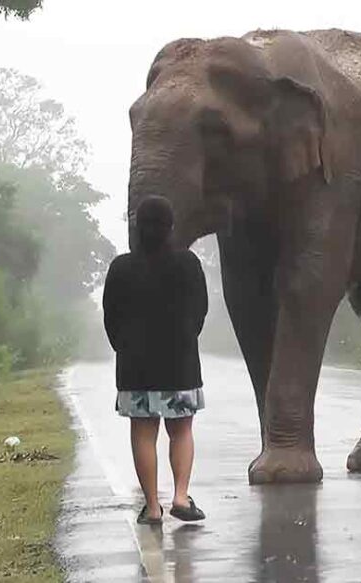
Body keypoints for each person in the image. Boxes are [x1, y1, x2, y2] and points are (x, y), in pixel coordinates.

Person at [102, 195, 209, 525]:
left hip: (136, 368)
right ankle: (180, 496)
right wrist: (186, 338)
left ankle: (151, 507)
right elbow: (200, 311)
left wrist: (123, 347)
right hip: (180, 365)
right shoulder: (188, 264)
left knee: (143, 434)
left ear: (137, 228)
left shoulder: (121, 267)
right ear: (170, 228)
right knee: (181, 431)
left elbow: (111, 317)